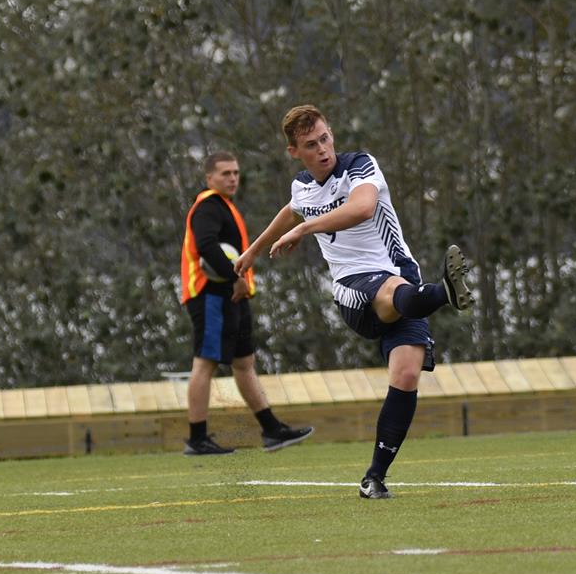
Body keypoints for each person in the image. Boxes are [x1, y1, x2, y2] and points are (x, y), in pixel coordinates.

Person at [235, 106, 472, 499]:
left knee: (407, 376)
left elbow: (363, 207)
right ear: (294, 152)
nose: (324, 149)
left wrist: (306, 228)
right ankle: (443, 292)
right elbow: (290, 211)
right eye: (311, 145)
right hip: (353, 289)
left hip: (401, 279)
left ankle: (373, 478)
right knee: (388, 291)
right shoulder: (303, 187)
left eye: (325, 138)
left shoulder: (360, 166)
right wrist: (252, 253)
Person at [179, 151, 314, 455]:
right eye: (225, 173)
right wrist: (234, 278)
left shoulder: (226, 206)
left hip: (232, 297)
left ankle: (271, 430)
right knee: (205, 362)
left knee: (243, 362)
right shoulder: (208, 206)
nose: (232, 178)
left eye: (236, 173)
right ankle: (197, 438)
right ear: (209, 178)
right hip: (212, 295)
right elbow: (206, 248)